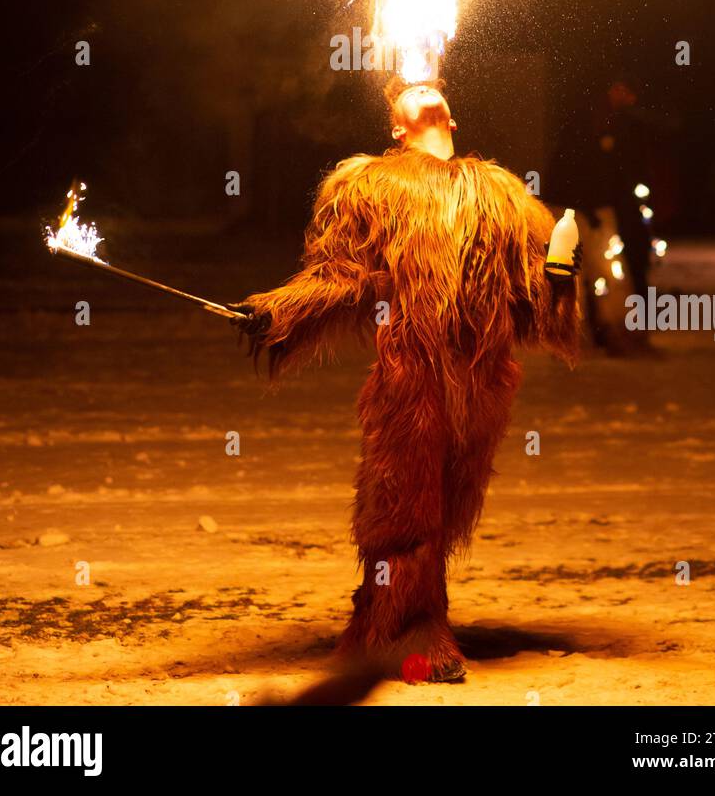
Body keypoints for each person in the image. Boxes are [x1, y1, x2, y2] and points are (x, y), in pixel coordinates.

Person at [234, 77, 581, 681]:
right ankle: (412, 634)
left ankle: (396, 623)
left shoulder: (504, 195)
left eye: (436, 85)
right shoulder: (367, 184)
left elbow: (533, 306)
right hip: (410, 371)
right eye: (410, 89)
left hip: (483, 378)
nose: (426, 84)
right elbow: (342, 277)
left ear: (453, 119)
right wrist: (276, 310)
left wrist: (561, 275)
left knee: (447, 507)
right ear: (395, 127)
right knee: (404, 506)